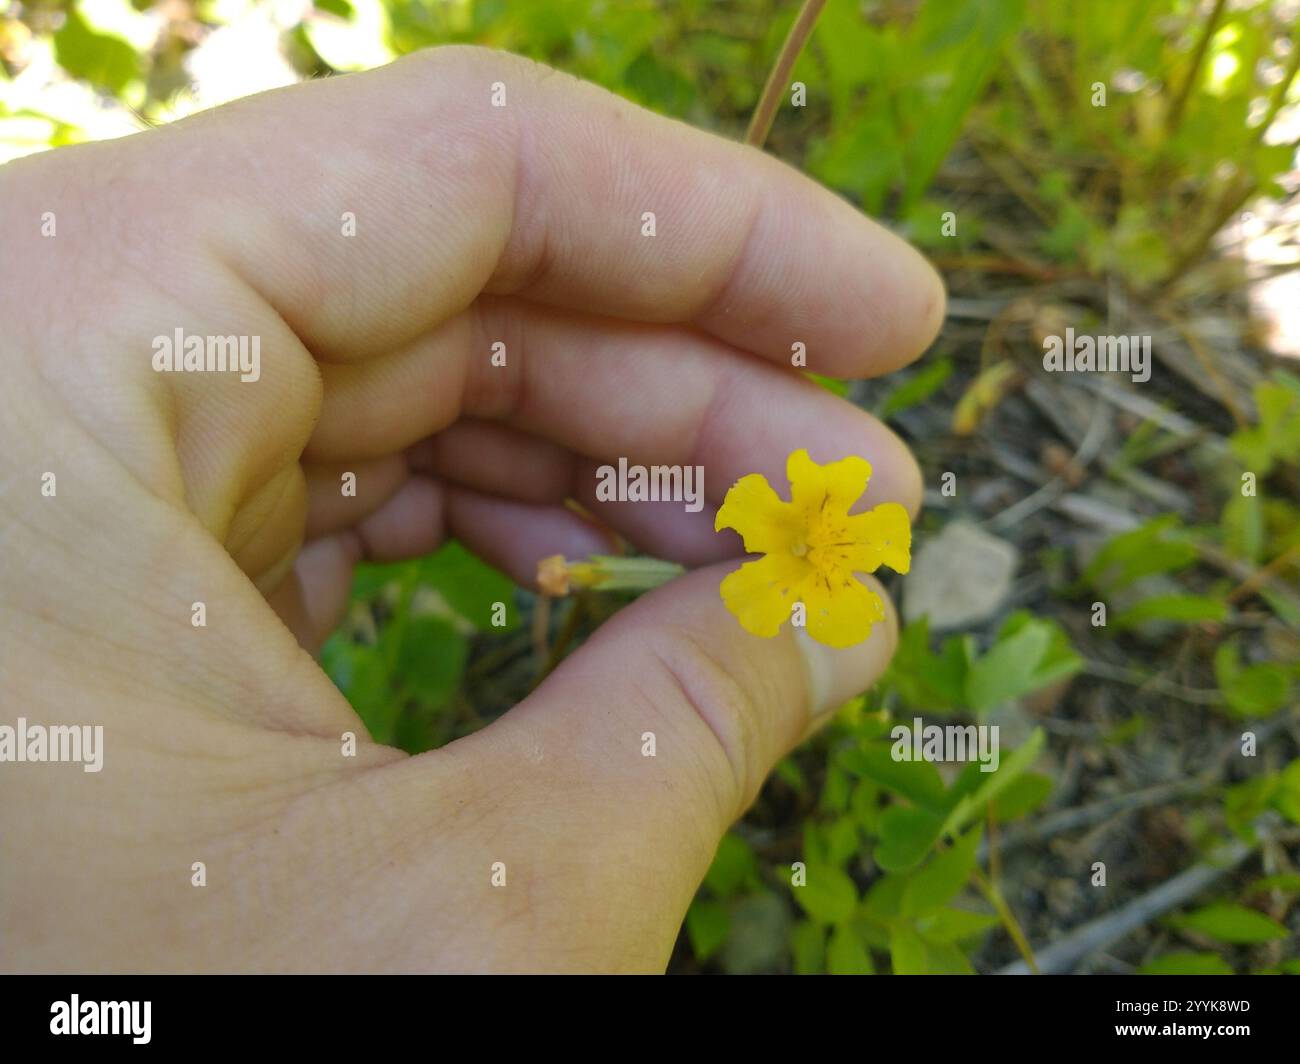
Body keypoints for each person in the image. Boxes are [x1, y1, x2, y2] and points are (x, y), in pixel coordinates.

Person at [0, 46, 943, 972]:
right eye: (825, 539)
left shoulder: (801, 544)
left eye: (833, 543)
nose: (828, 544)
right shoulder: (768, 525)